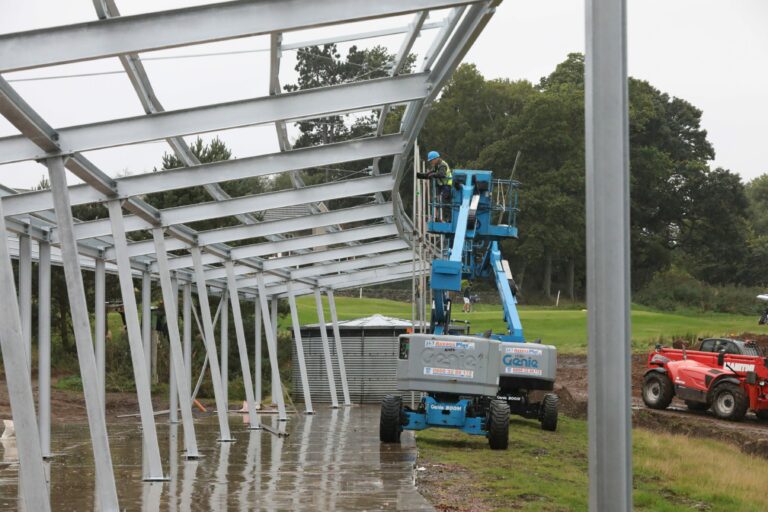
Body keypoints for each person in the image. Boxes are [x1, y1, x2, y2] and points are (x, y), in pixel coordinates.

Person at [417, 150, 453, 221]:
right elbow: (428, 175)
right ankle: (438, 218)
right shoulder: (436, 166)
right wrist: (418, 175)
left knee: (445, 202)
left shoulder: (442, 165)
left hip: (447, 186)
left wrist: (433, 174)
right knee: (437, 201)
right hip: (441, 186)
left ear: (436, 159)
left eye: (431, 160)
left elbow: (441, 174)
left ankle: (448, 219)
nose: (430, 162)